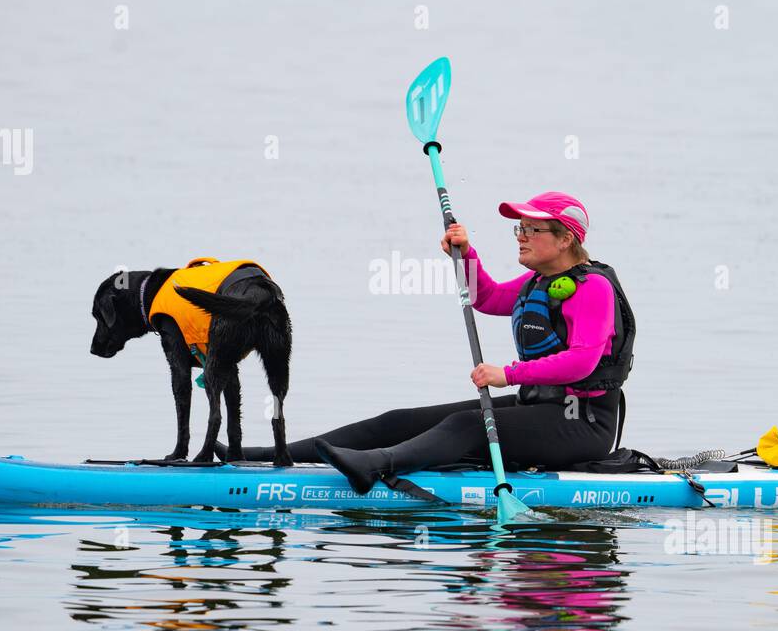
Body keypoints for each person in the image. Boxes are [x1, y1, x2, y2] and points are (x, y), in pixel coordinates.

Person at [226, 191, 636, 493]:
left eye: (532, 229)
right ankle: (265, 455)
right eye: (520, 227)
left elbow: (582, 362)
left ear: (565, 239)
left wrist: (507, 375)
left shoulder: (592, 288)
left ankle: (373, 466)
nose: (521, 236)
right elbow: (488, 298)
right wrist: (466, 254)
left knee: (467, 424)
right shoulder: (539, 282)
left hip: (581, 421)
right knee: (399, 420)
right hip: (539, 405)